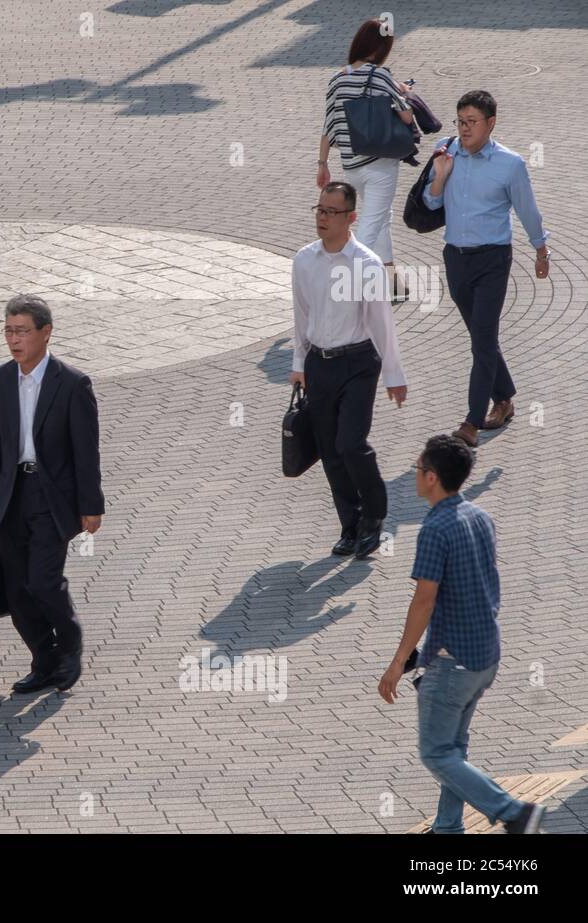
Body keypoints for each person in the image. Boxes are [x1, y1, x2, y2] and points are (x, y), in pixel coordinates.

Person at [378, 435, 543, 834]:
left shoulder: (435, 528)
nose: (414, 477)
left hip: (454, 663)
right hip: (485, 653)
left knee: (436, 753)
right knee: (454, 746)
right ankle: (448, 826)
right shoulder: (479, 516)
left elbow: (424, 600)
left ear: (432, 478)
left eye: (417, 470)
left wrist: (400, 660)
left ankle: (513, 812)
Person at [0, 295, 103, 695]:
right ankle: (43, 659)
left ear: (45, 333)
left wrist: (91, 506)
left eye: (22, 331)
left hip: (53, 498)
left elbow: (86, 450)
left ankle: (69, 648)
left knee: (43, 581)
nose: (14, 340)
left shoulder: (72, 383)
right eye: (8, 331)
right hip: (12, 494)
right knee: (17, 590)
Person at [422, 90, 549, 448]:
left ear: (490, 124)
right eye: (460, 122)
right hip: (455, 259)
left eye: (471, 123)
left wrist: (541, 250)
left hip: (493, 260)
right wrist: (440, 175)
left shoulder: (510, 164)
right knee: (482, 338)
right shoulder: (447, 153)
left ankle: (471, 422)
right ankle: (505, 396)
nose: (464, 130)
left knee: (482, 340)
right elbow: (431, 203)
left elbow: (527, 210)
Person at [290, 182, 407, 559]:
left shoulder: (367, 265)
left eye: (331, 212)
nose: (322, 218)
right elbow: (301, 316)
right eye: (319, 209)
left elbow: (380, 323)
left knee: (351, 444)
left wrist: (394, 375)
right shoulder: (304, 260)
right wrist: (298, 364)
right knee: (330, 451)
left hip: (358, 364)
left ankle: (374, 517)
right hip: (318, 365)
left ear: (351, 218)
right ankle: (350, 524)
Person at [317, 17, 416, 302]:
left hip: (352, 167)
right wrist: (404, 92)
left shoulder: (337, 79)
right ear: (382, 46)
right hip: (381, 163)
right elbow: (406, 115)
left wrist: (322, 165)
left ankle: (392, 281)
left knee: (381, 218)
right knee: (370, 226)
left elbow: (328, 126)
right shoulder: (382, 76)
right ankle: (334, 280)